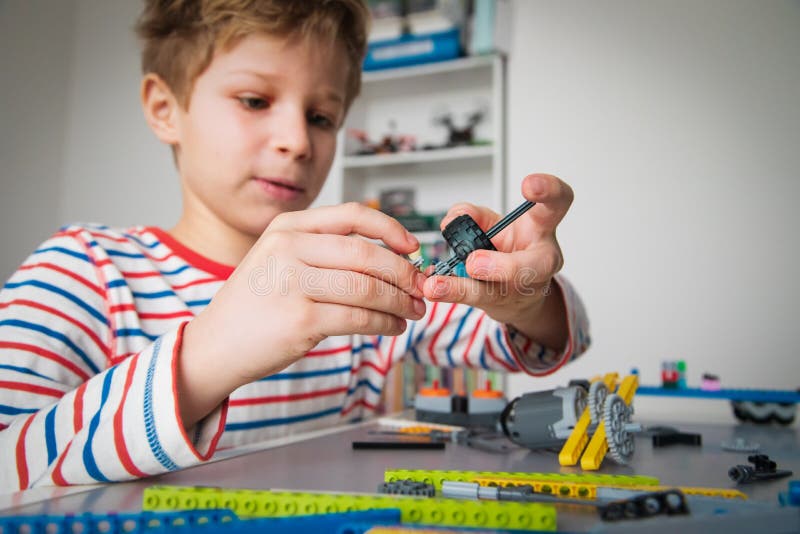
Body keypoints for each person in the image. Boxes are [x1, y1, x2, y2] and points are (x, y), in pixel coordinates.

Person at [0, 0, 589, 493]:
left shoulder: (364, 277)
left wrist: (522, 298)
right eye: (255, 100)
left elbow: (552, 341)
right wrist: (203, 358)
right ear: (164, 109)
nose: (296, 142)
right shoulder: (83, 273)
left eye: (322, 116)